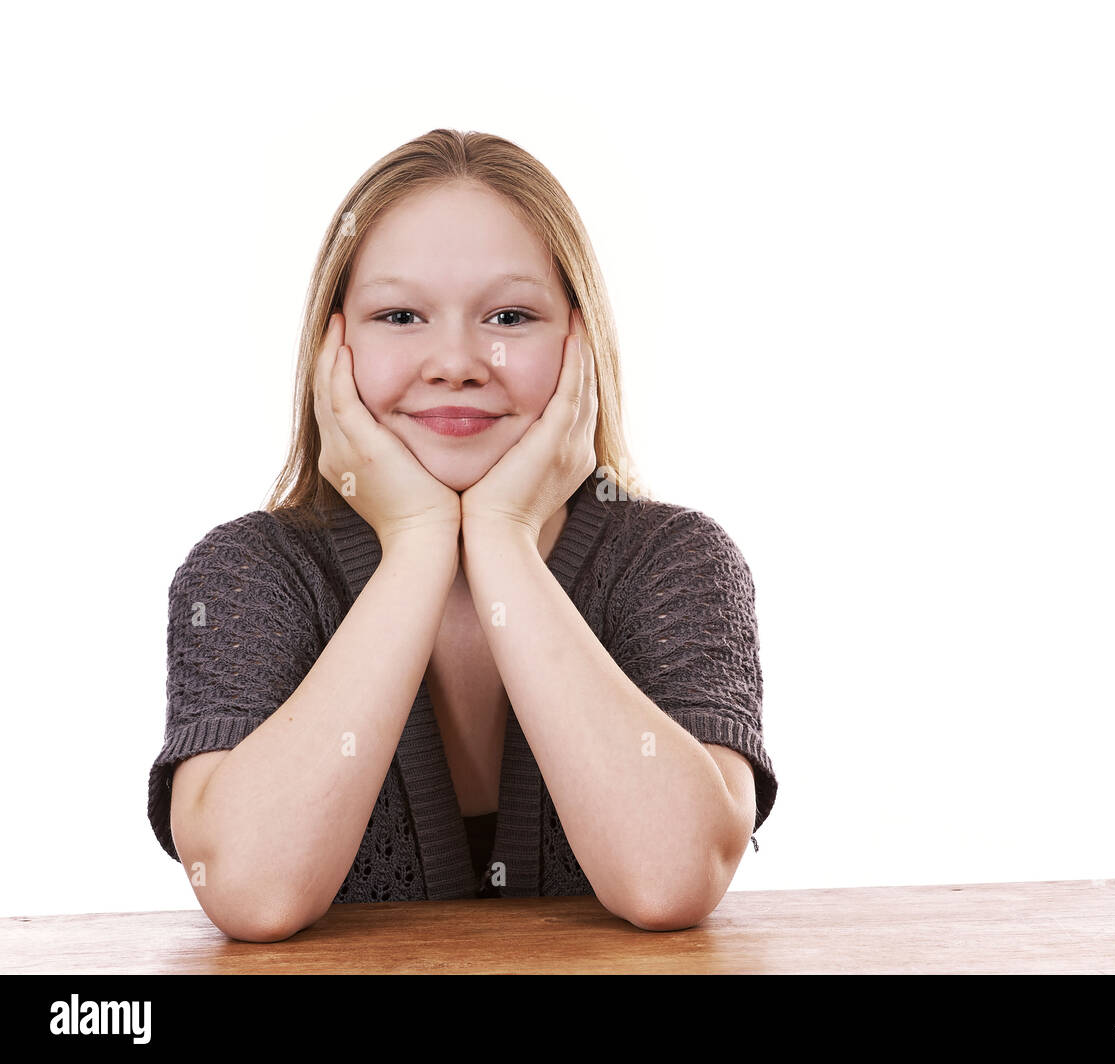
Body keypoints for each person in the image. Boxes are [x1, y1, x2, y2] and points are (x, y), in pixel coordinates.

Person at [146, 128, 777, 941]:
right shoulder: (246, 573)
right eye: (399, 315)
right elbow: (253, 892)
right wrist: (414, 542)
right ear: (334, 345)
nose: (455, 362)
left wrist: (505, 536)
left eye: (510, 315)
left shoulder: (675, 561)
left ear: (579, 343)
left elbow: (671, 878)